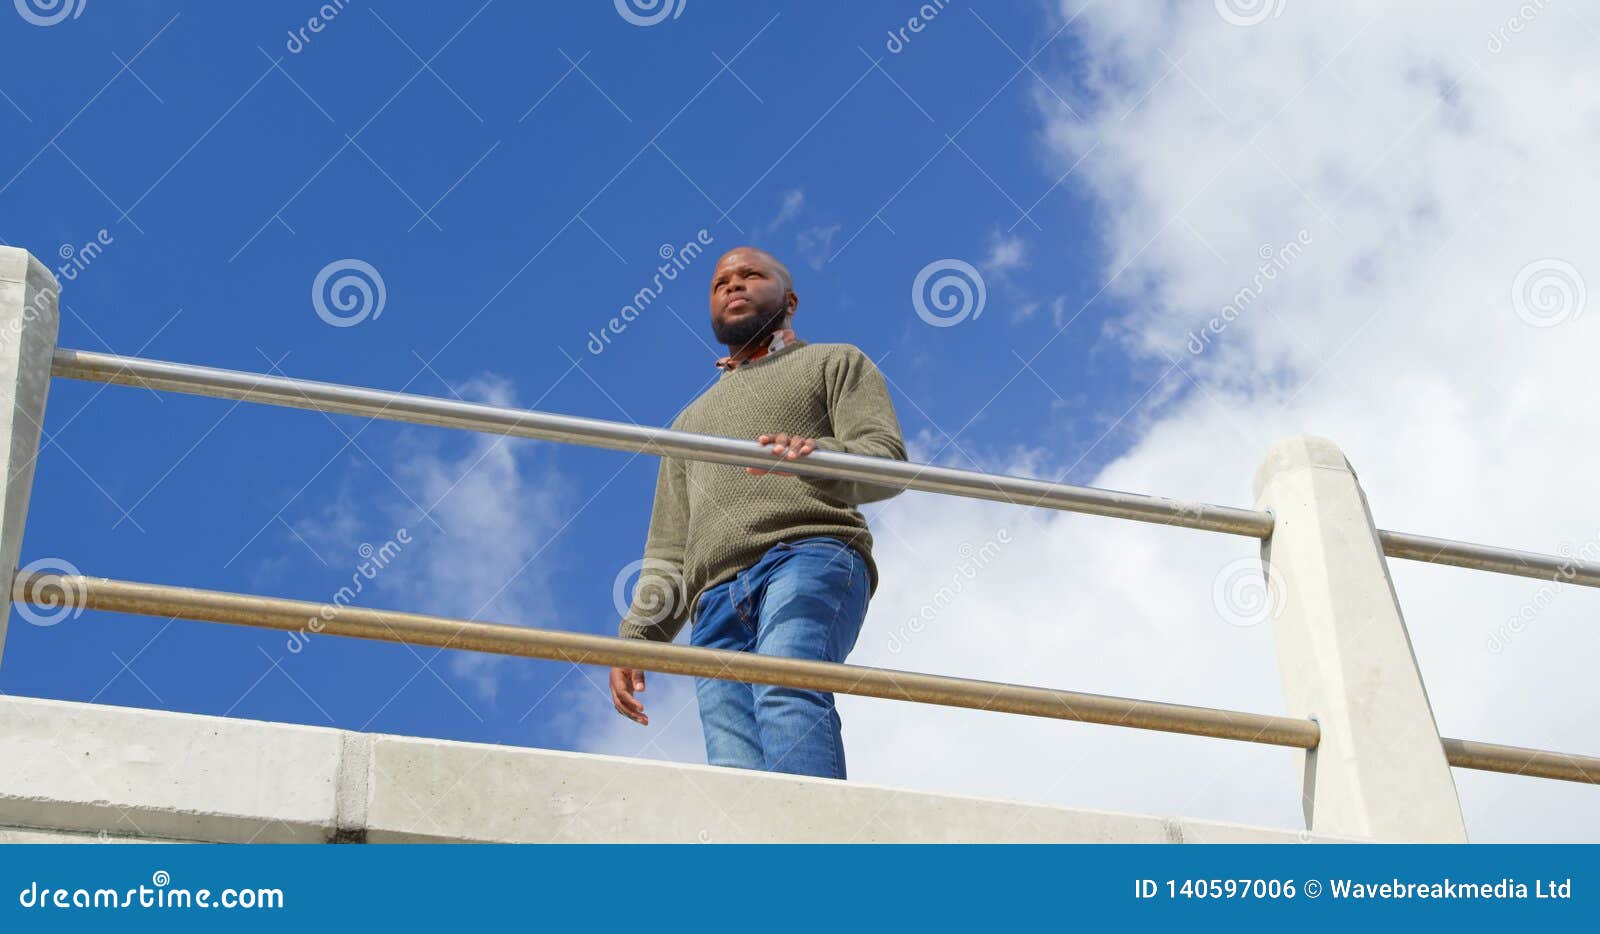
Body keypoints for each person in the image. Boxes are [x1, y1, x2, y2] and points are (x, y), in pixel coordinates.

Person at [609, 246, 906, 780]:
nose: (733, 285)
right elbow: (668, 551)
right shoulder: (686, 424)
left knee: (784, 683)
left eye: (751, 275)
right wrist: (638, 639)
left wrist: (816, 457)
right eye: (720, 282)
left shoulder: (833, 361)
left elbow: (885, 461)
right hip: (713, 601)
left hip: (810, 553)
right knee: (733, 756)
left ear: (789, 300)